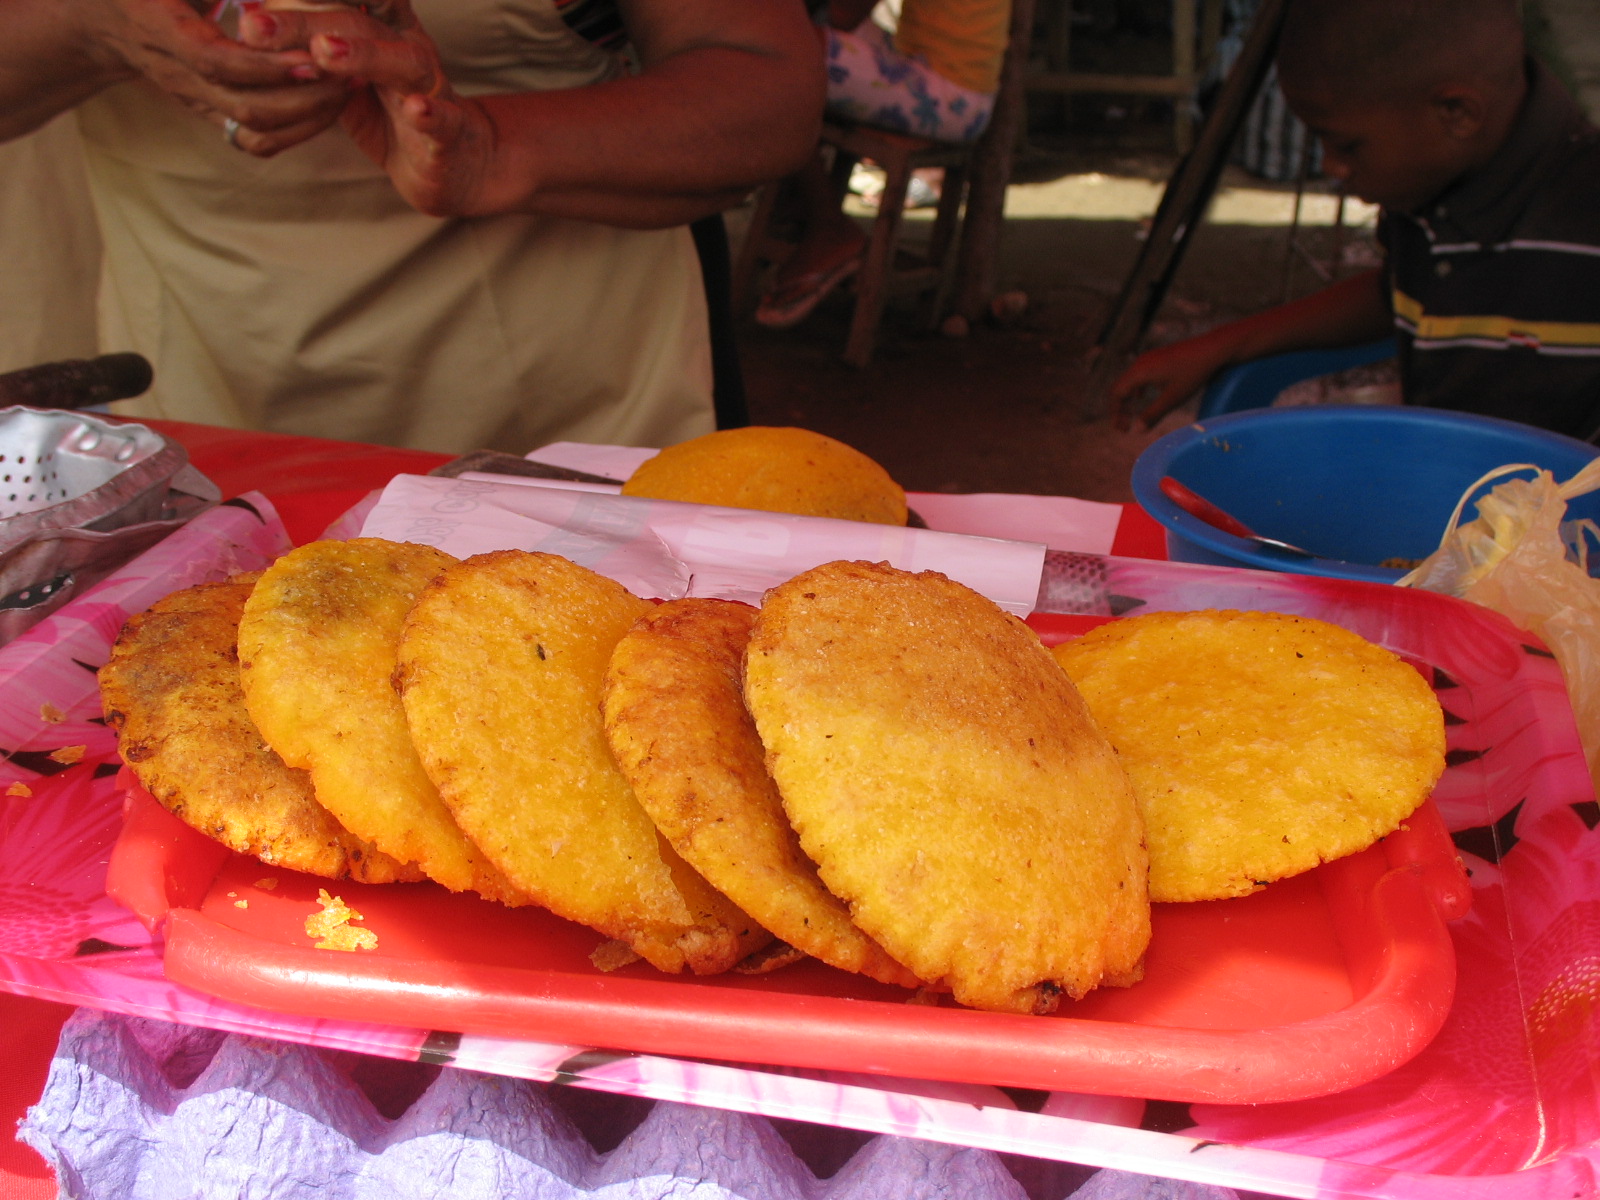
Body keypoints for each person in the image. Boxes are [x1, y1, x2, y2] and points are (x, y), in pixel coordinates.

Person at [0, 0, 823, 454]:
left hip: (569, 431)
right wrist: (89, 27)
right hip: (205, 402)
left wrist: (491, 147)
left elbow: (769, 85)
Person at [1109, 0, 1600, 443]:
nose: (1331, 167)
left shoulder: (1583, 212)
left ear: (1456, 114)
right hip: (1445, 506)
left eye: (1346, 146)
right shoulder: (1429, 191)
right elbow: (1399, 292)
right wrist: (1223, 345)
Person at [754, 0, 1010, 329]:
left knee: (775, 51)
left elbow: (845, 11)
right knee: (780, 33)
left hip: (953, 96)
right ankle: (798, 197)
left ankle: (827, 225)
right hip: (925, 62)